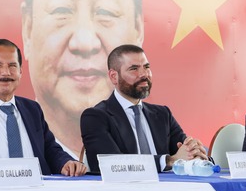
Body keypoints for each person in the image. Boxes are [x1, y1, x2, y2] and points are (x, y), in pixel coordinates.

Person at [20, 0, 145, 159]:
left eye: (106, 12)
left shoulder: (156, 126)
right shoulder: (7, 136)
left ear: (138, 31)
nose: (84, 42)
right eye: (61, 9)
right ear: (28, 29)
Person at [0, 39, 86, 176]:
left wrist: (66, 163)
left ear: (20, 71)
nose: (6, 72)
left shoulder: (32, 109)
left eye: (12, 66)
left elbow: (49, 149)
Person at [80, 44, 208, 174]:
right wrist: (169, 161)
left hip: (168, 190)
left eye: (146, 67)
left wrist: (195, 153)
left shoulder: (163, 114)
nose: (143, 74)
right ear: (114, 76)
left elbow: (184, 151)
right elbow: (111, 165)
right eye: (134, 69)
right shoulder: (95, 117)